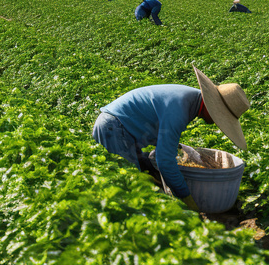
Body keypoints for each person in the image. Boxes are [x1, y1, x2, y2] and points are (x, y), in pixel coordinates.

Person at [92, 66, 250, 212]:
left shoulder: (190, 100)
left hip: (121, 130)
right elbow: (165, 161)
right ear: (211, 107)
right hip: (114, 129)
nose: (217, 122)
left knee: (147, 170)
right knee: (131, 189)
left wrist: (177, 147)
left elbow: (157, 131)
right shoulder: (180, 108)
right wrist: (187, 198)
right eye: (219, 117)